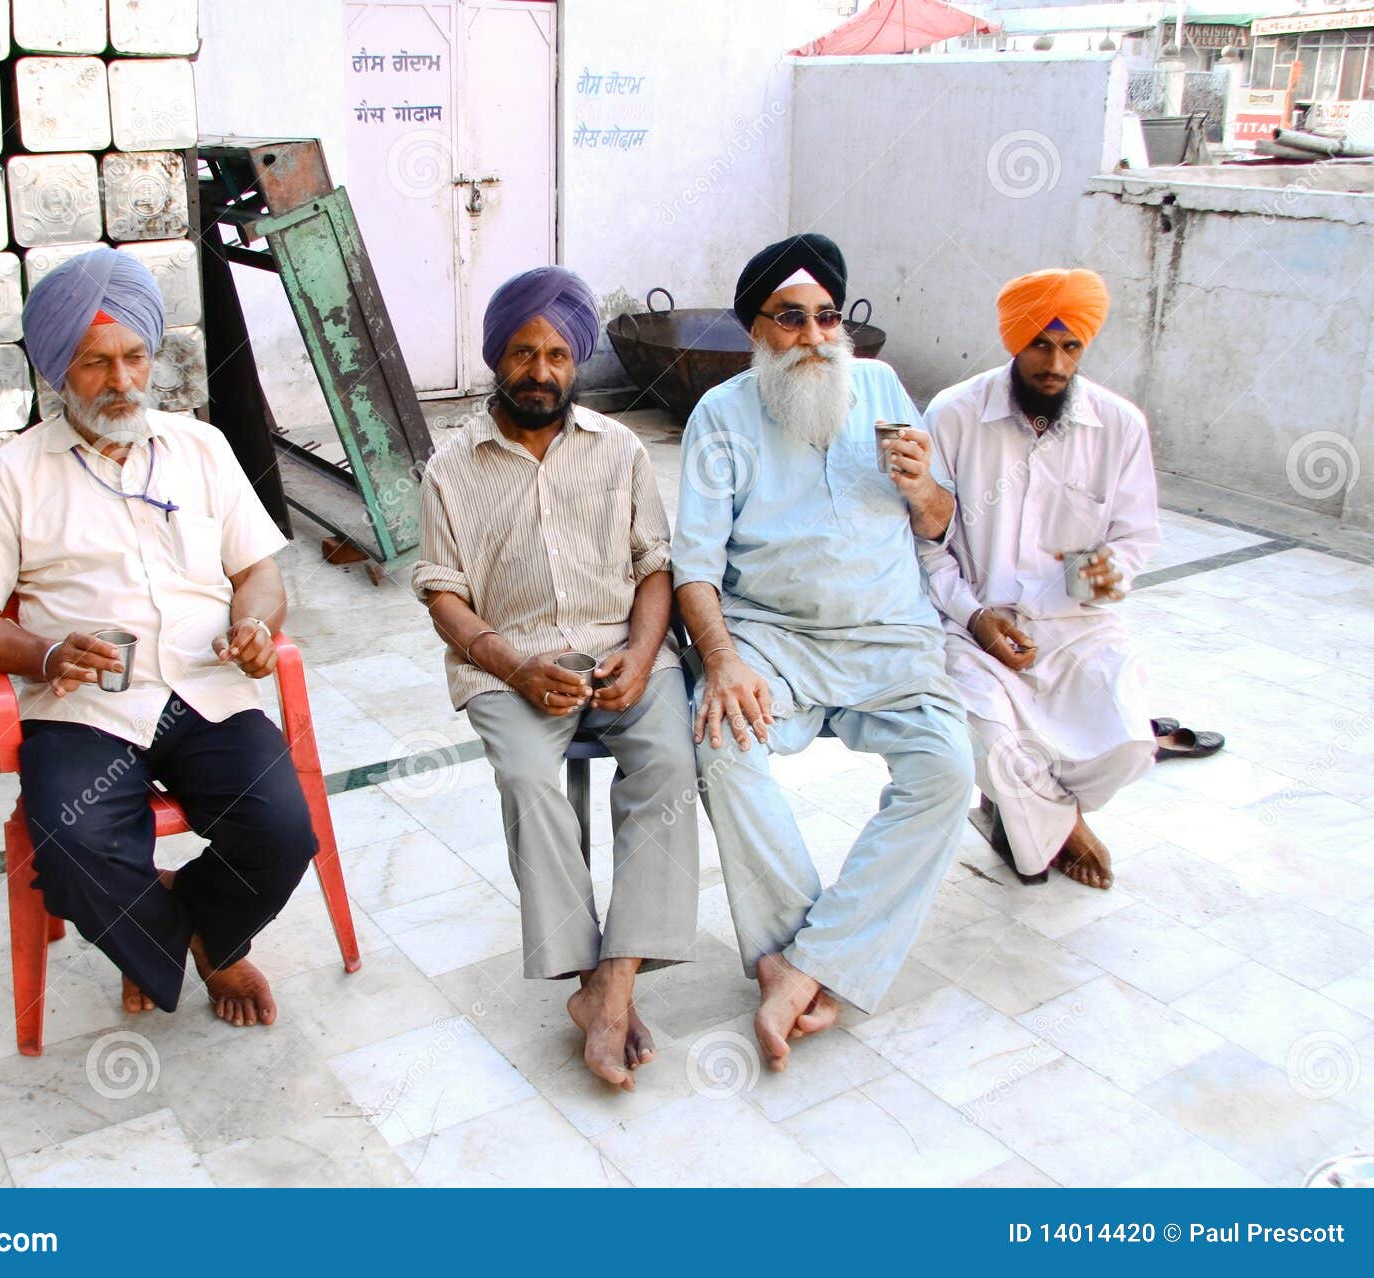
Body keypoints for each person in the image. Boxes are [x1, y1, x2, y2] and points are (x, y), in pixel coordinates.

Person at [0, 248, 310, 1027]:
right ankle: (199, 945)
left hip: (205, 691)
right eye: (95, 363)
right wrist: (42, 654)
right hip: (85, 706)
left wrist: (254, 624)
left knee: (281, 828)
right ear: (59, 372)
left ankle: (177, 932)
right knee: (71, 847)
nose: (121, 381)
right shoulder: (13, 473)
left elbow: (261, 574)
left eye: (134, 357)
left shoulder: (200, 447)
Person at [672, 233, 974, 1073]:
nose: (814, 336)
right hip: (774, 636)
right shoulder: (721, 416)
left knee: (949, 769)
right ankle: (803, 961)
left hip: (889, 636)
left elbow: (940, 525)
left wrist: (922, 489)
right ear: (756, 331)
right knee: (723, 744)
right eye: (792, 318)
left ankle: (801, 966)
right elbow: (694, 566)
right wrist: (724, 661)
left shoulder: (879, 387)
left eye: (827, 318)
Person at [412, 266, 699, 1093]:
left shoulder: (620, 450)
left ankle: (619, 978)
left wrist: (643, 658)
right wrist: (513, 665)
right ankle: (586, 982)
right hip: (511, 664)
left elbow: (655, 567)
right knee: (531, 777)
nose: (542, 373)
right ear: (496, 358)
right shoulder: (452, 468)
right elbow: (443, 593)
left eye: (559, 356)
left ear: (577, 361)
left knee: (672, 767)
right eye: (523, 354)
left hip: (621, 654)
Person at [920, 267, 1161, 890]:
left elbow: (1134, 537)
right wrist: (976, 616)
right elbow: (924, 546)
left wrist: (1102, 576)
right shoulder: (955, 414)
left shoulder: (1120, 426)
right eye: (1040, 344)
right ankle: (1064, 827)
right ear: (1014, 341)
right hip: (972, 623)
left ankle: (1031, 813)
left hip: (1078, 625)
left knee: (1132, 744)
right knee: (988, 741)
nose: (1055, 363)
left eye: (1071, 346)